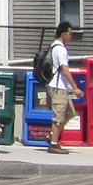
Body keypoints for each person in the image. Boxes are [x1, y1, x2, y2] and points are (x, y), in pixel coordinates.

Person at [39, 22, 78, 154]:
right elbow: (65, 70)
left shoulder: (54, 47)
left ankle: (52, 136)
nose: (72, 36)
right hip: (57, 87)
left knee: (70, 113)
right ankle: (54, 144)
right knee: (59, 116)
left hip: (60, 87)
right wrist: (75, 87)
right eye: (70, 34)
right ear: (64, 34)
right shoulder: (60, 49)